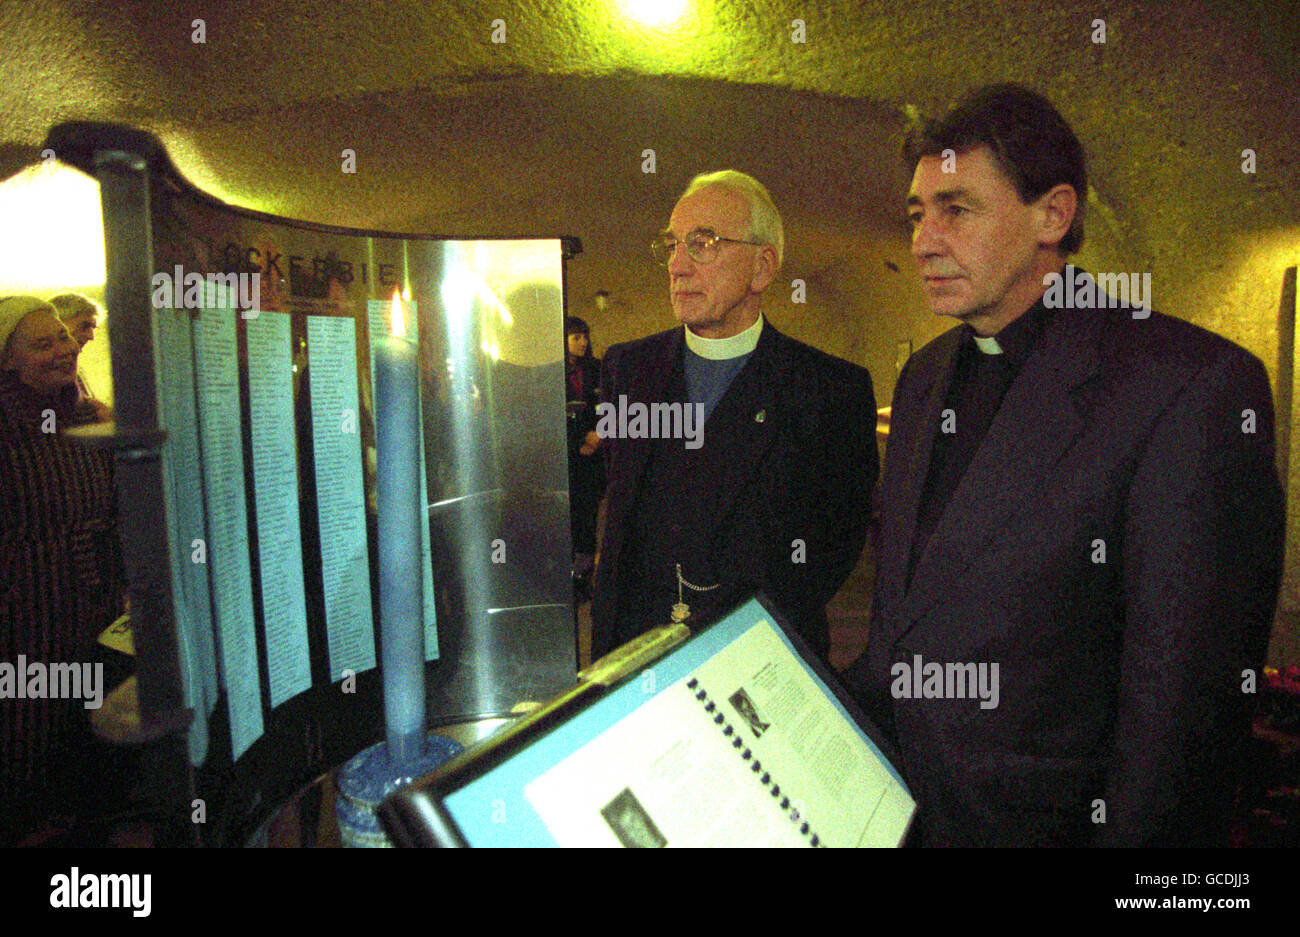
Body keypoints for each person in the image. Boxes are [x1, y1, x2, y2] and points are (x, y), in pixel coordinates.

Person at [841, 84, 1285, 846]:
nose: (923, 240)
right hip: (901, 815)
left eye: (957, 208)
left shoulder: (1187, 386)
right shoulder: (923, 378)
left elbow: (1183, 726)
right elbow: (904, 629)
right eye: (917, 214)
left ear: (1053, 213)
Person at [591, 171, 877, 663]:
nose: (677, 266)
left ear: (763, 267)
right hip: (638, 663)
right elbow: (621, 512)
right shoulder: (628, 370)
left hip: (761, 660)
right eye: (672, 245)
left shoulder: (830, 390)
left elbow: (836, 541)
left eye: (702, 243)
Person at [0, 296, 126, 844]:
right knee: (28, 737)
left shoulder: (89, 414)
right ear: (9, 361)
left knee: (88, 737)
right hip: (22, 611)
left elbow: (120, 508)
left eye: (63, 337)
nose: (64, 349)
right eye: (43, 342)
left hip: (92, 602)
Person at [564, 316, 604, 598]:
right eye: (576, 337)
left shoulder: (596, 369)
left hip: (594, 455)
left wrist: (599, 435)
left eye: (585, 337)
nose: (583, 342)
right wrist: (578, 440)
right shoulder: (553, 371)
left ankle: (584, 578)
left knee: (588, 519)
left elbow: (610, 403)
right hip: (566, 455)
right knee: (569, 518)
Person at [49, 292, 109, 419]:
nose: (91, 336)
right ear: (58, 322)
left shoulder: (73, 371)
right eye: (84, 326)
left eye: (92, 328)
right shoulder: (43, 370)